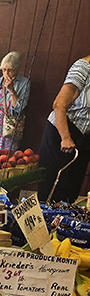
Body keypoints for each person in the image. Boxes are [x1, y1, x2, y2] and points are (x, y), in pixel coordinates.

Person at [38, 54, 90, 204]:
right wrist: (65, 137)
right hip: (61, 133)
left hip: (84, 137)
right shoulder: (83, 67)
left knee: (71, 193)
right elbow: (59, 104)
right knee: (52, 192)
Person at [0, 51, 30, 152]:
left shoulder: (24, 83)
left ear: (16, 70)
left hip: (11, 126)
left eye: (10, 70)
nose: (6, 73)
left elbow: (19, 108)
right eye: (4, 70)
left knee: (8, 156)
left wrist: (12, 91)